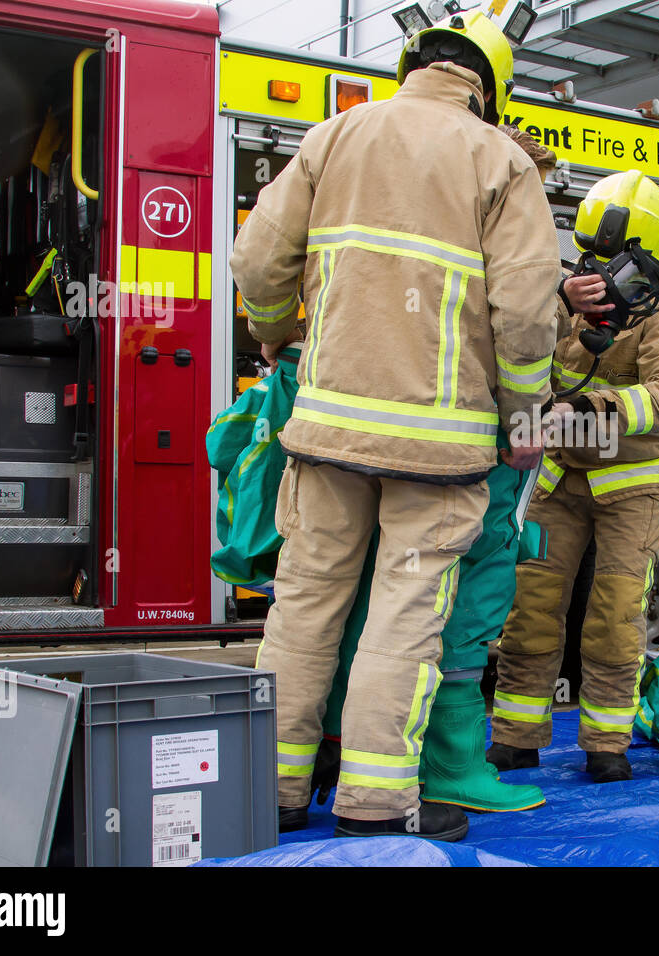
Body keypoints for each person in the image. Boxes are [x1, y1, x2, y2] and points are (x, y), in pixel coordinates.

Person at [230, 7, 560, 842]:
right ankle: (376, 805)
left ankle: (270, 792)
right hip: (440, 446)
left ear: (414, 63)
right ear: (489, 87)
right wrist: (523, 418)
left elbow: (258, 262)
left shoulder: (335, 134)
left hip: (325, 433)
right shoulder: (500, 160)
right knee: (403, 616)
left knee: (304, 608)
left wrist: (276, 331)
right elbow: (524, 314)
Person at [304, 123, 563, 822]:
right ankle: (449, 765)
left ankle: (318, 760)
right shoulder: (504, 198)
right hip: (472, 449)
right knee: (458, 607)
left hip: (359, 434)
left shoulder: (387, 199)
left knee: (349, 602)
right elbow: (523, 322)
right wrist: (527, 417)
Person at [487, 170, 659, 783]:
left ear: (643, 258)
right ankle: (515, 736)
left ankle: (607, 744)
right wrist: (561, 301)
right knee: (529, 604)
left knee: (614, 614)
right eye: (588, 254)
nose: (596, 269)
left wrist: (585, 409)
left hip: (631, 483)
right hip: (560, 478)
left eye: (609, 258)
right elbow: (519, 336)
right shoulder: (564, 297)